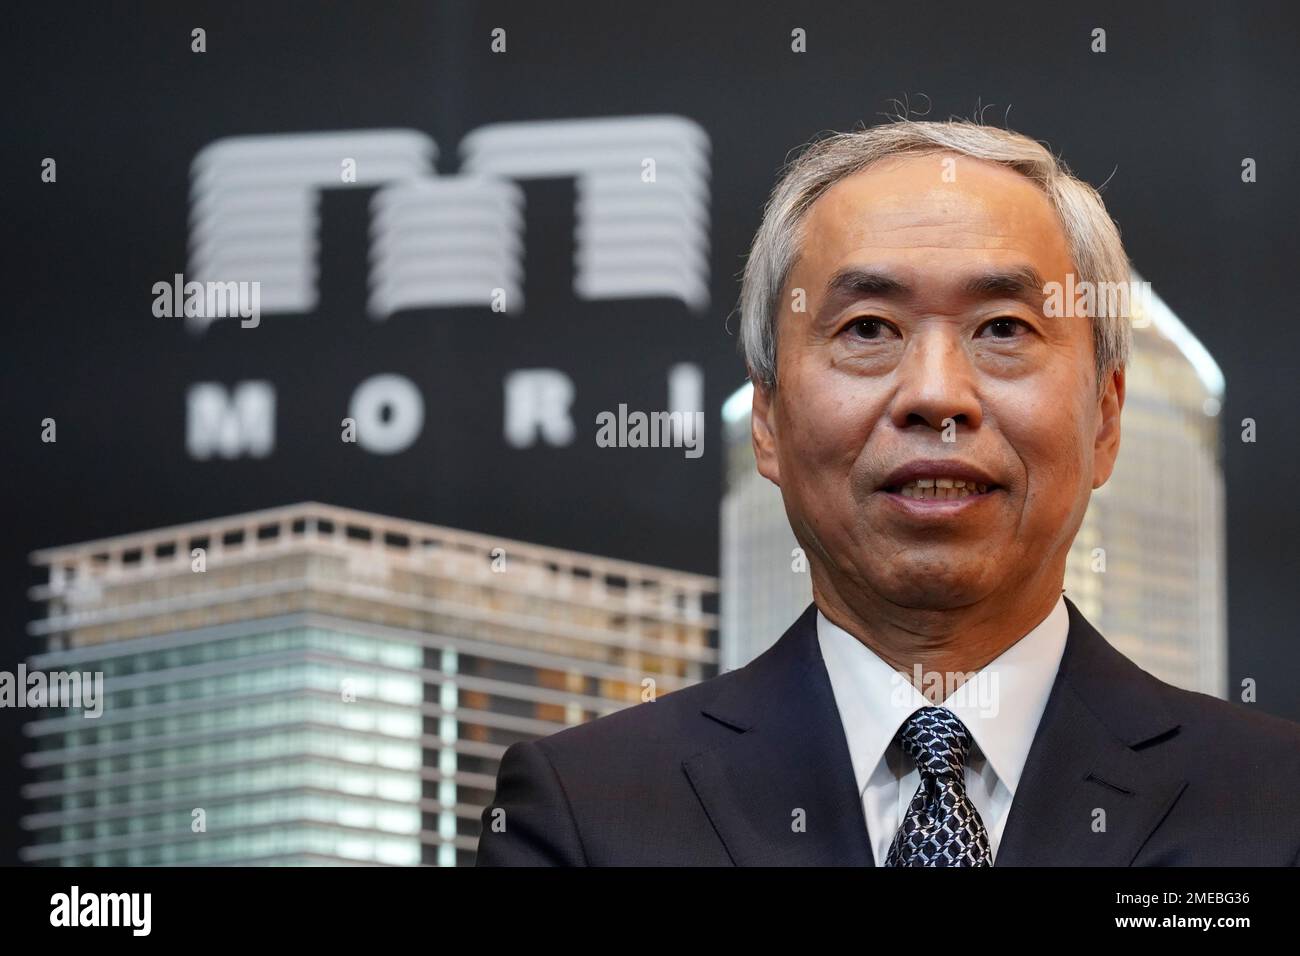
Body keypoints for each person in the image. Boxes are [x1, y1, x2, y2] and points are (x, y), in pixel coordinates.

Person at [476, 119, 1300, 866]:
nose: (936, 396)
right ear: (767, 418)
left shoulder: (1273, 805)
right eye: (867, 329)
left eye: (1003, 329)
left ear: (1105, 421)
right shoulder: (588, 814)